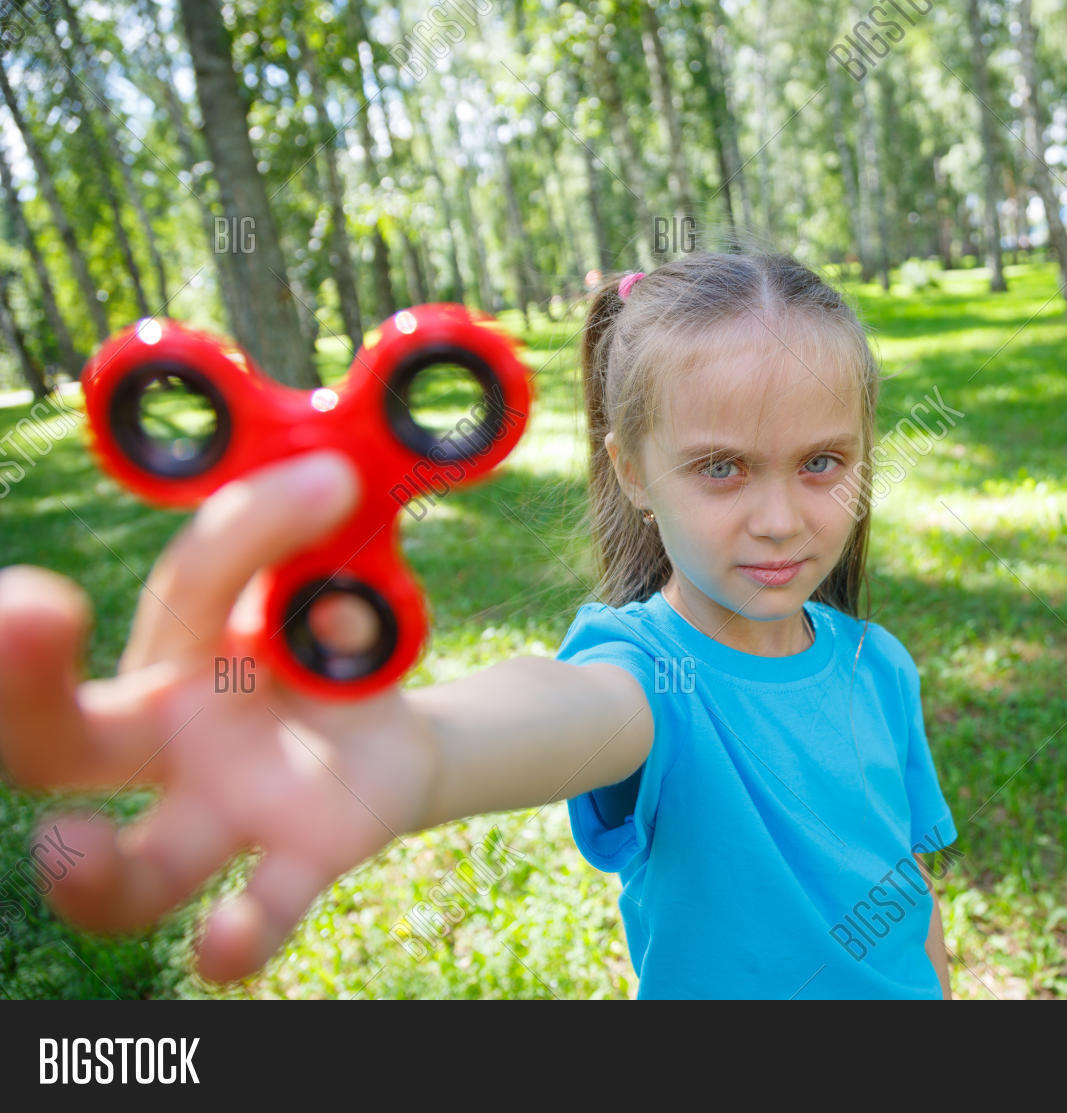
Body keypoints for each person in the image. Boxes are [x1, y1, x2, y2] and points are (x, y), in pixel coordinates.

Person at [0, 249, 957, 999]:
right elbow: (549, 714)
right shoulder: (643, 678)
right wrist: (411, 753)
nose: (781, 518)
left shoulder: (881, 667)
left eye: (823, 463)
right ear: (631, 470)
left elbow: (907, 891)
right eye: (721, 468)